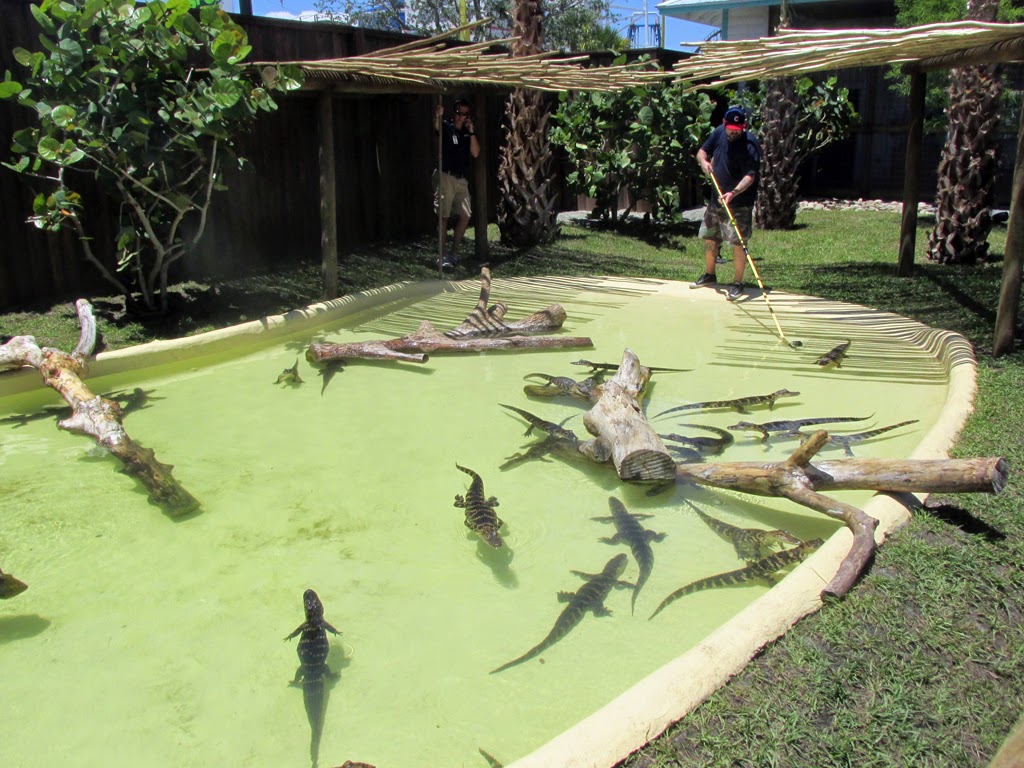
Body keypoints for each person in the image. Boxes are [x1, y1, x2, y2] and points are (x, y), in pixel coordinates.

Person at [692, 106, 761, 301]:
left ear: (743, 127)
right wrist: (704, 162)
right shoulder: (719, 133)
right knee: (709, 237)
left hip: (739, 203)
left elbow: (750, 175)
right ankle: (710, 274)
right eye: (730, 129)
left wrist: (734, 192)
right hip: (716, 199)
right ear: (724, 124)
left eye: (737, 130)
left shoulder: (750, 144)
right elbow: (701, 152)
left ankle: (738, 283)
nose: (733, 133)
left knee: (737, 242)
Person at [433, 98, 480, 269]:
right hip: (446, 175)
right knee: (443, 216)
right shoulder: (446, 126)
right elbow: (437, 127)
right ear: (454, 113)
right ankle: (441, 255)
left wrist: (472, 132)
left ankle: (453, 253)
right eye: (459, 113)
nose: (461, 117)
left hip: (461, 179)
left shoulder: (466, 133)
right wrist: (437, 116)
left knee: (465, 215)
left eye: (465, 114)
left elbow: (475, 153)